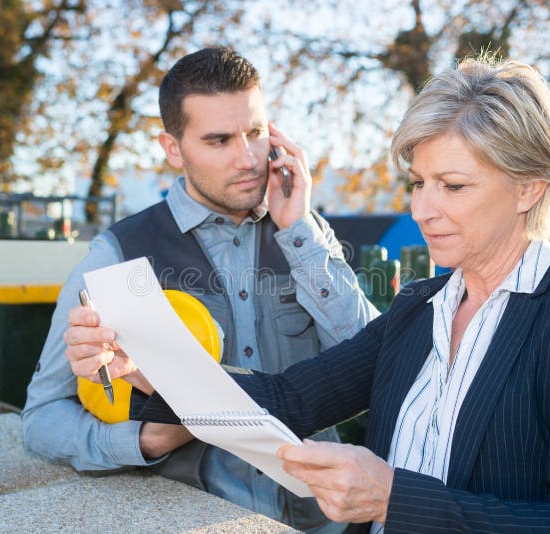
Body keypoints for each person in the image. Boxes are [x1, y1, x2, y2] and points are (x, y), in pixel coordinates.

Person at [117, 57, 550, 532]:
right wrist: (145, 364)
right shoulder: (417, 308)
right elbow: (287, 399)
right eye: (418, 183)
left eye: (453, 185)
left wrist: (392, 499)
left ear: (529, 188)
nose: (422, 210)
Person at [21, 46, 378, 532]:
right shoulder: (118, 254)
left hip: (318, 524)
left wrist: (300, 234)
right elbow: (41, 418)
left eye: (255, 132)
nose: (247, 158)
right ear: (173, 149)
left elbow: (375, 360)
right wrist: (143, 442)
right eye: (218, 140)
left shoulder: (306, 236)